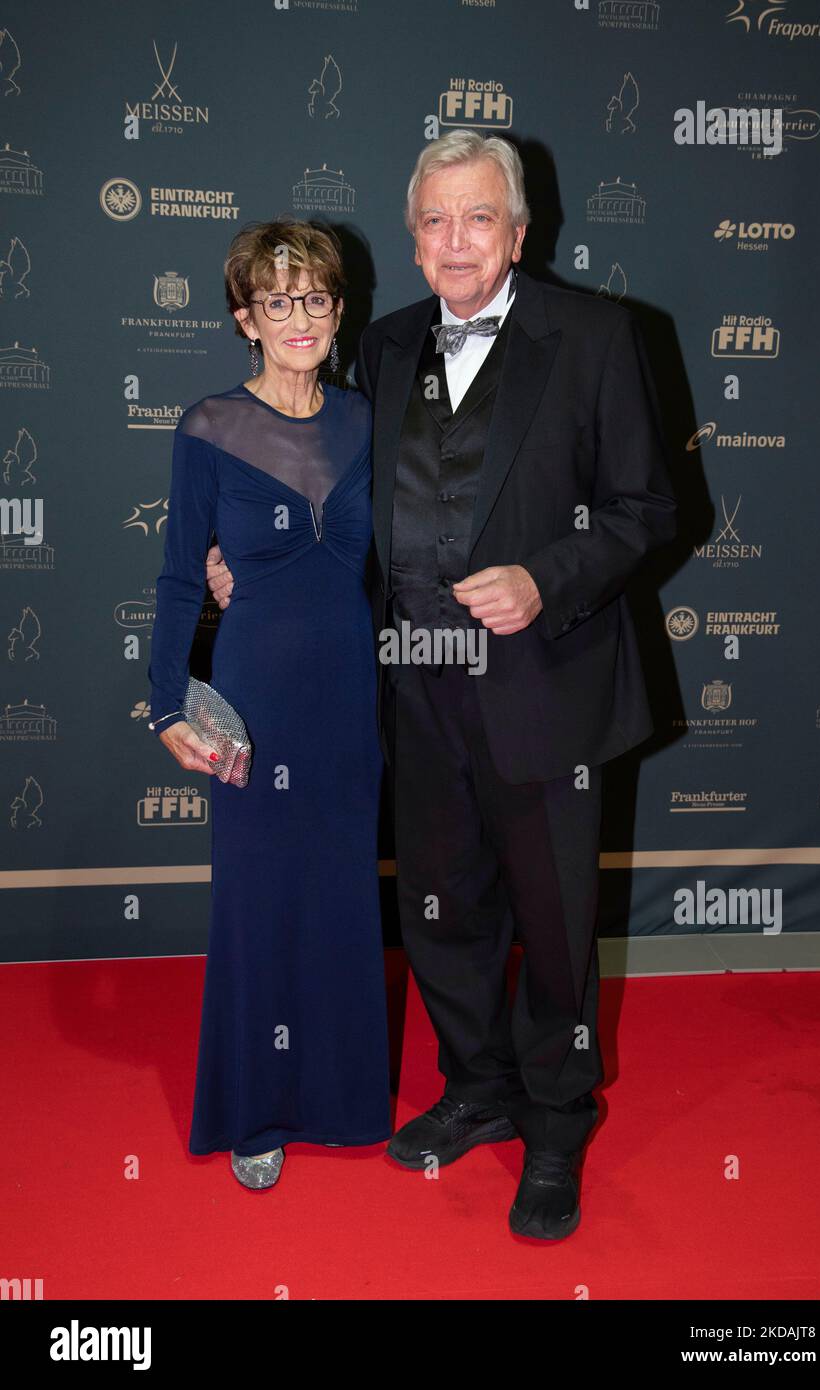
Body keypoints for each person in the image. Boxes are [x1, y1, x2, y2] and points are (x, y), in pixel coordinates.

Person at [205, 132, 677, 1238]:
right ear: (411, 238)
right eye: (434, 220)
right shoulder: (381, 345)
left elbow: (647, 511)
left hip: (544, 687)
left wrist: (544, 577)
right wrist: (249, 569)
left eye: (478, 218)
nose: (454, 240)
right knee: (442, 908)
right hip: (411, 687)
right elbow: (332, 503)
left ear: (518, 232)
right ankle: (476, 1085)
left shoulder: (600, 337)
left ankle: (555, 1123)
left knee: (555, 926)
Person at [147, 219, 391, 1190]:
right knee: (256, 904)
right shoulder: (208, 427)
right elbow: (175, 578)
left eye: (315, 298)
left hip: (344, 696)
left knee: (337, 900)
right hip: (253, 696)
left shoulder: (366, 421)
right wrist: (166, 706)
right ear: (245, 317)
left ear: (337, 311)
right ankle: (255, 1108)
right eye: (277, 300)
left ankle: (339, 1099)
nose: (299, 317)